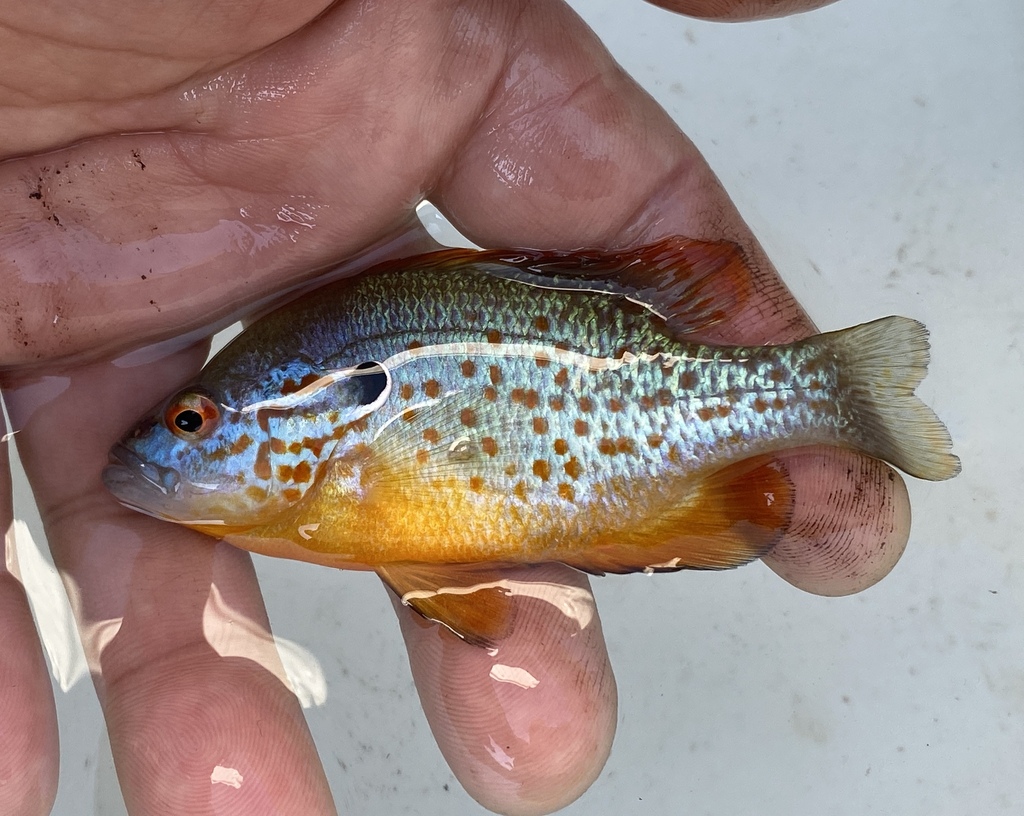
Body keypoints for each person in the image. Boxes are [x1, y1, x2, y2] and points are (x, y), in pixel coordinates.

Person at [0, 0, 906, 813]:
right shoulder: (311, 478)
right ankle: (833, 390)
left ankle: (830, 388)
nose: (167, 441)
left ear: (312, 416)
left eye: (193, 421)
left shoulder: (328, 481)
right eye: (186, 423)